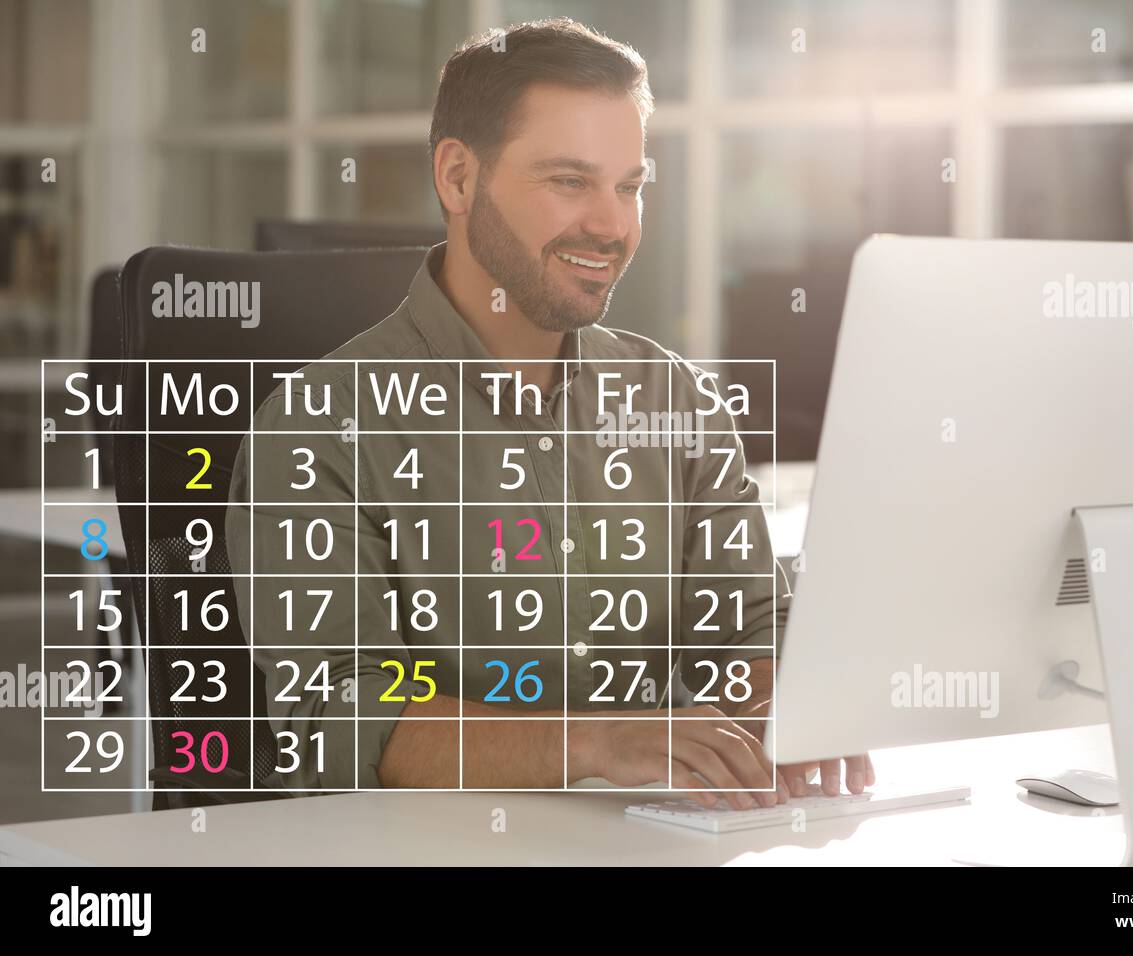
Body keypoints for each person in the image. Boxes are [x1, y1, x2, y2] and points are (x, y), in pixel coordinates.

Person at [228, 17, 872, 807]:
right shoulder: (317, 423)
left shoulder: (673, 399)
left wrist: (788, 709)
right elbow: (340, 719)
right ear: (459, 179)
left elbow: (747, 629)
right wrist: (596, 742)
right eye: (570, 181)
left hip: (658, 842)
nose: (612, 225)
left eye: (629, 187)